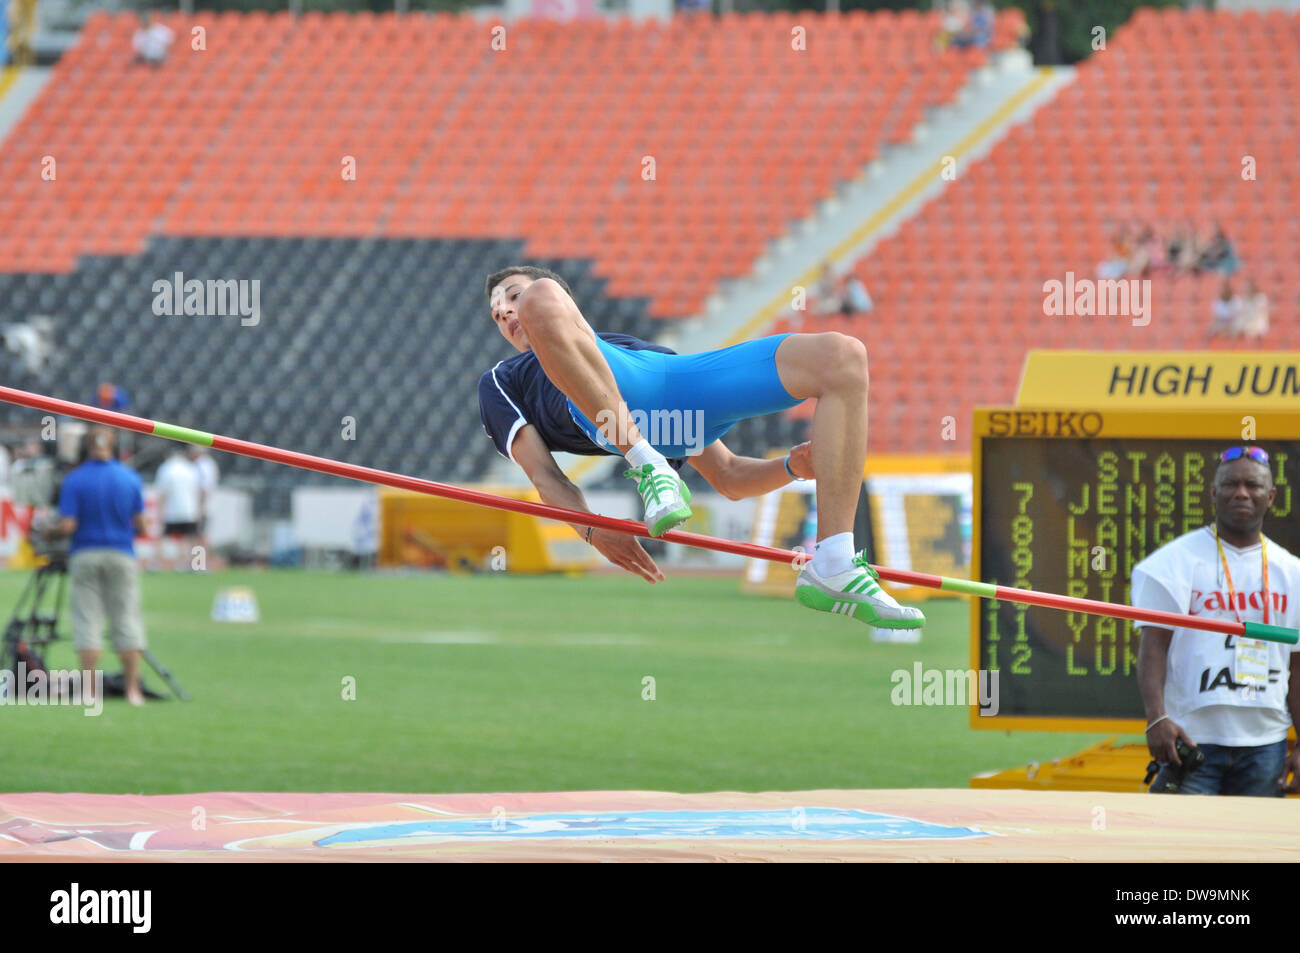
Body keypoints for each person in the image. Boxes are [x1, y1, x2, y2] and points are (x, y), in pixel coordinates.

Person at [477, 265, 923, 629]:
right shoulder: (503, 381)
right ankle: (647, 464)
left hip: (670, 394)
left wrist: (790, 465)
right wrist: (590, 529)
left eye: (513, 296)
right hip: (628, 425)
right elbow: (545, 477)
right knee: (547, 305)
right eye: (498, 314)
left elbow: (728, 476)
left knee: (843, 356)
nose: (507, 312)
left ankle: (834, 561)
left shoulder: (616, 342)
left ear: (568, 308)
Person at [1132, 446, 1300, 796]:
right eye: (1230, 484)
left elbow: (1297, 667)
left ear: (1270, 497)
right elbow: (1153, 649)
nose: (1241, 492)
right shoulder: (1172, 564)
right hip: (1192, 739)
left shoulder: (1292, 574)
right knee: (1179, 847)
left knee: (1256, 849)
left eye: (1252, 485)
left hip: (1266, 742)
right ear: (1213, 493)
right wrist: (1157, 718)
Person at [54, 427, 149, 707]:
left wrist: (51, 533)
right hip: (121, 553)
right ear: (113, 444)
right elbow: (141, 525)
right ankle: (133, 690)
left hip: (85, 552)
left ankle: (89, 689)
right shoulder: (129, 477)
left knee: (87, 620)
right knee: (126, 618)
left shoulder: (75, 479)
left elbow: (68, 525)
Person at [154, 445, 202, 571]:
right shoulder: (190, 469)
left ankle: (156, 563)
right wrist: (198, 510)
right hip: (189, 509)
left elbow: (162, 492)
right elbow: (197, 491)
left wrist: (160, 511)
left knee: (164, 537)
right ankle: (197, 564)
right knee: (191, 538)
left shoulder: (166, 469)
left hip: (172, 510)